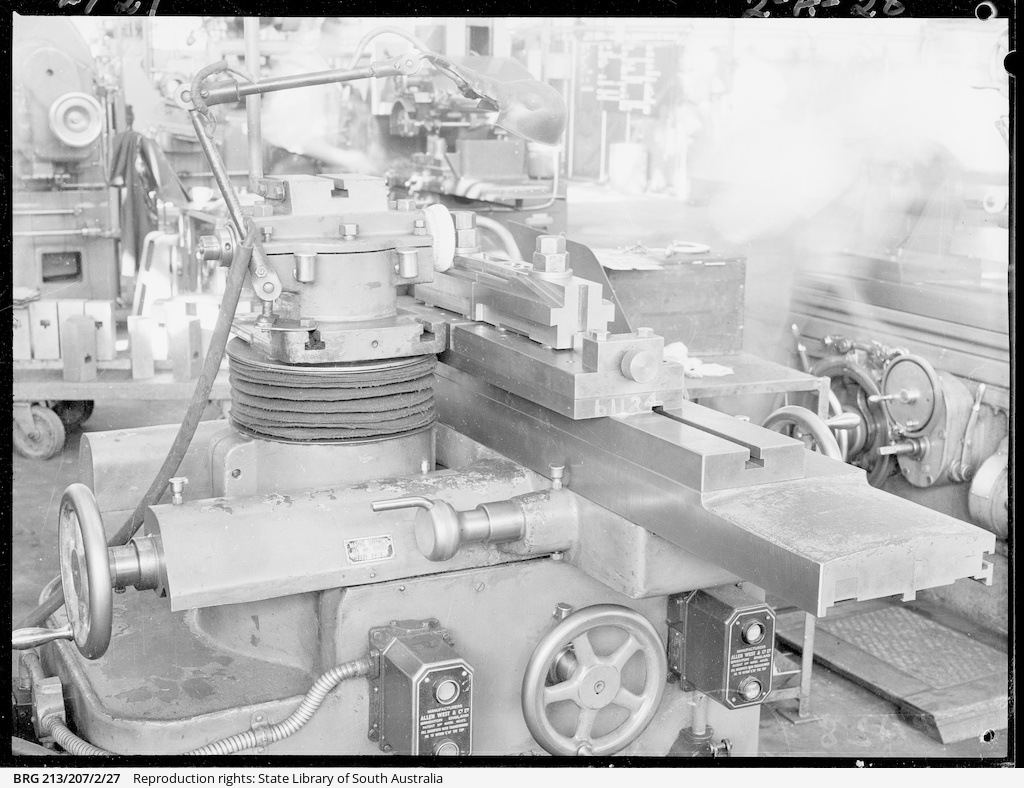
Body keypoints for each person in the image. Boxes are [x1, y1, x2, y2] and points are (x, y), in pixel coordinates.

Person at [259, 18, 384, 176]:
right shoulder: (303, 71)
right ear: (320, 33)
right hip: (292, 170)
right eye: (339, 30)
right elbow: (302, 139)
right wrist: (349, 158)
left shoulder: (317, 66)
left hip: (301, 168)